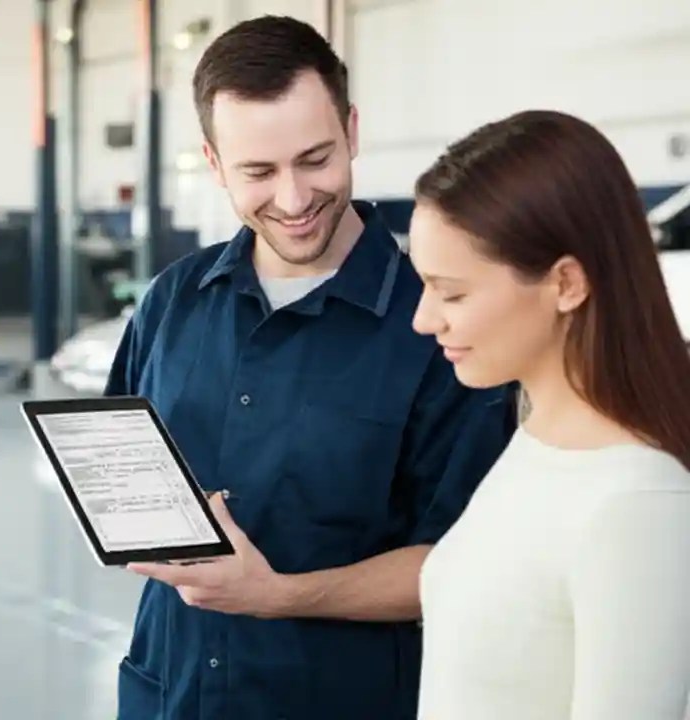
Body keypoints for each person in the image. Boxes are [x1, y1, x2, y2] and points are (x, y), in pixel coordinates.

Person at [103, 15, 517, 720]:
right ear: (213, 163)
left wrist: (278, 595)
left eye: (316, 159)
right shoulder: (174, 299)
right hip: (169, 692)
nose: (293, 200)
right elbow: (120, 475)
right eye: (258, 173)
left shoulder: (439, 325)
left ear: (352, 131)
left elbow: (466, 566)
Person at [409, 110, 690, 719]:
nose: (424, 319)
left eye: (451, 292)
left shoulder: (636, 503)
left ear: (565, 283)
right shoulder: (535, 438)